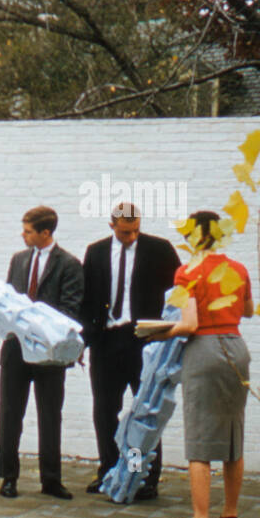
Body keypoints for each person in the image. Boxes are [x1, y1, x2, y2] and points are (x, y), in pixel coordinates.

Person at [152, 211, 253, 518]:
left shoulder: (187, 272)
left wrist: (161, 332)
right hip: (236, 347)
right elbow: (248, 310)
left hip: (204, 349)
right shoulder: (238, 269)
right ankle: (230, 511)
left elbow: (190, 324)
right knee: (233, 433)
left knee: (199, 436)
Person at [80, 202, 181, 499]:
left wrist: (166, 334)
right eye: (125, 232)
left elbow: (178, 292)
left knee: (145, 410)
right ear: (112, 226)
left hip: (144, 341)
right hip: (107, 341)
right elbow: (86, 300)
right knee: (105, 410)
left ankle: (143, 476)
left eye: (136, 230)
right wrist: (85, 340)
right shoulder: (96, 252)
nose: (132, 236)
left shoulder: (159, 249)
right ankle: (109, 470)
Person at [0, 205, 84, 499]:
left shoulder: (69, 264)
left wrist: (37, 323)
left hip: (48, 355)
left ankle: (51, 480)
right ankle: (8, 477)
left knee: (50, 417)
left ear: (46, 233)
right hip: (15, 350)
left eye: (28, 231)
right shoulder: (18, 260)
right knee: (10, 414)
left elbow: (70, 311)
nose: (23, 235)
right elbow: (6, 302)